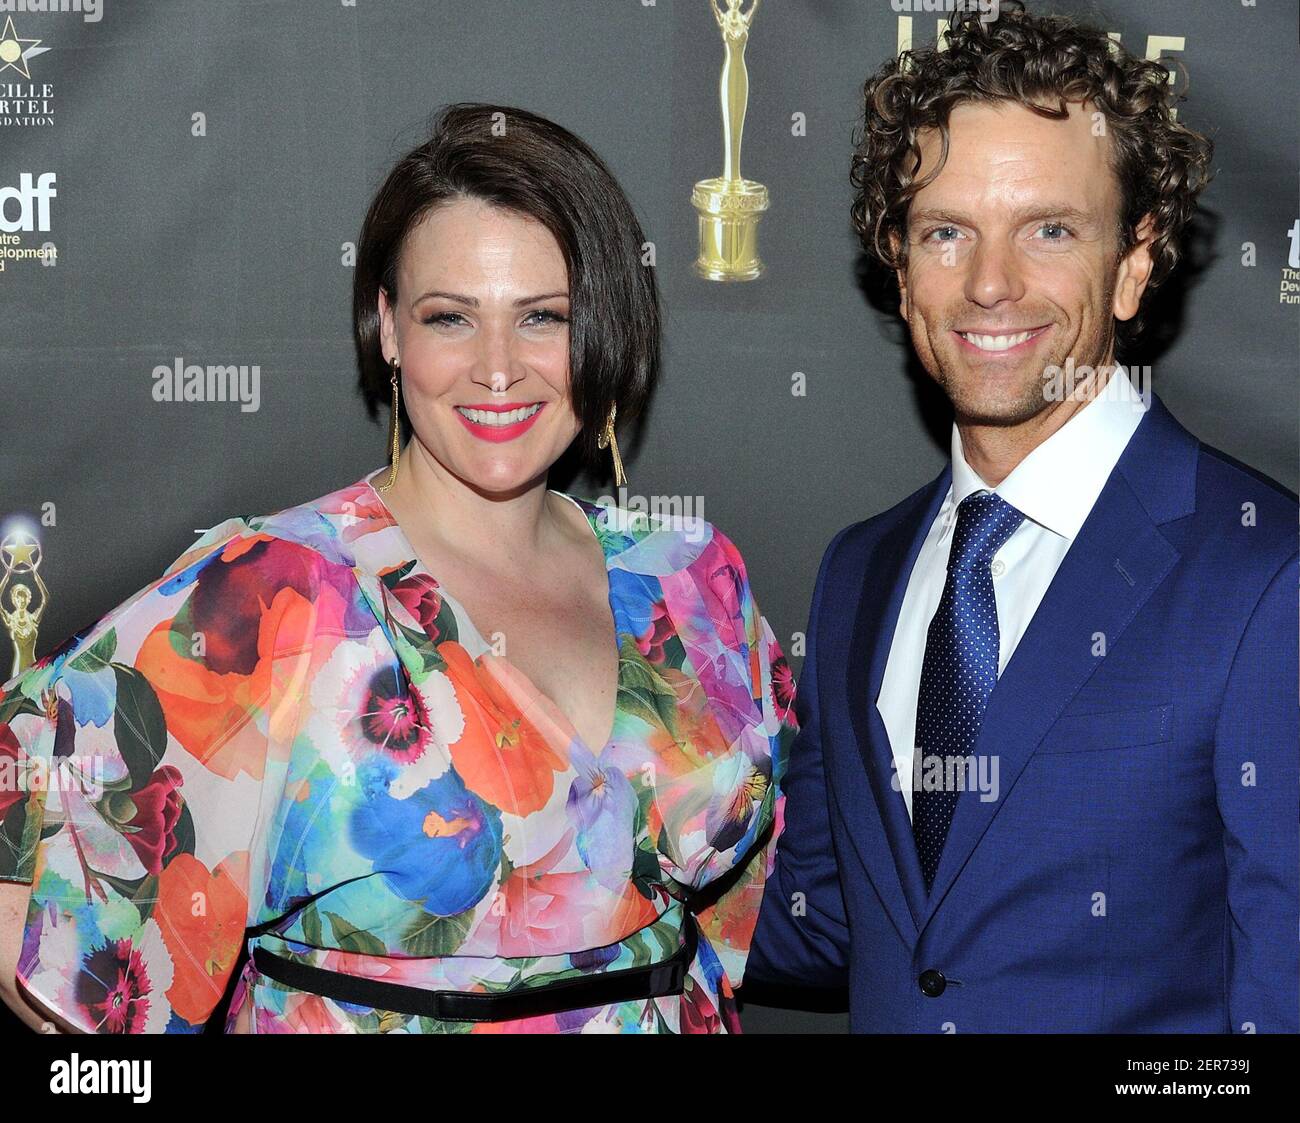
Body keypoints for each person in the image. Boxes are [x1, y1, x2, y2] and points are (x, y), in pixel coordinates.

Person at [0, 102, 794, 1034]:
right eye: (449, 316)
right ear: (386, 328)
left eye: (544, 317)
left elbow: (761, 899)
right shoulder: (283, 590)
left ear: (604, 327)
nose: (498, 369)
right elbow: (38, 848)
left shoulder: (689, 580)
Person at [747, 2, 1298, 1032]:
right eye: (946, 231)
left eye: (1048, 229)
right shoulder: (859, 571)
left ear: (1133, 262)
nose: (990, 284)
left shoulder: (1267, 578)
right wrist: (577, 844)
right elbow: (826, 923)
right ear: (899, 266)